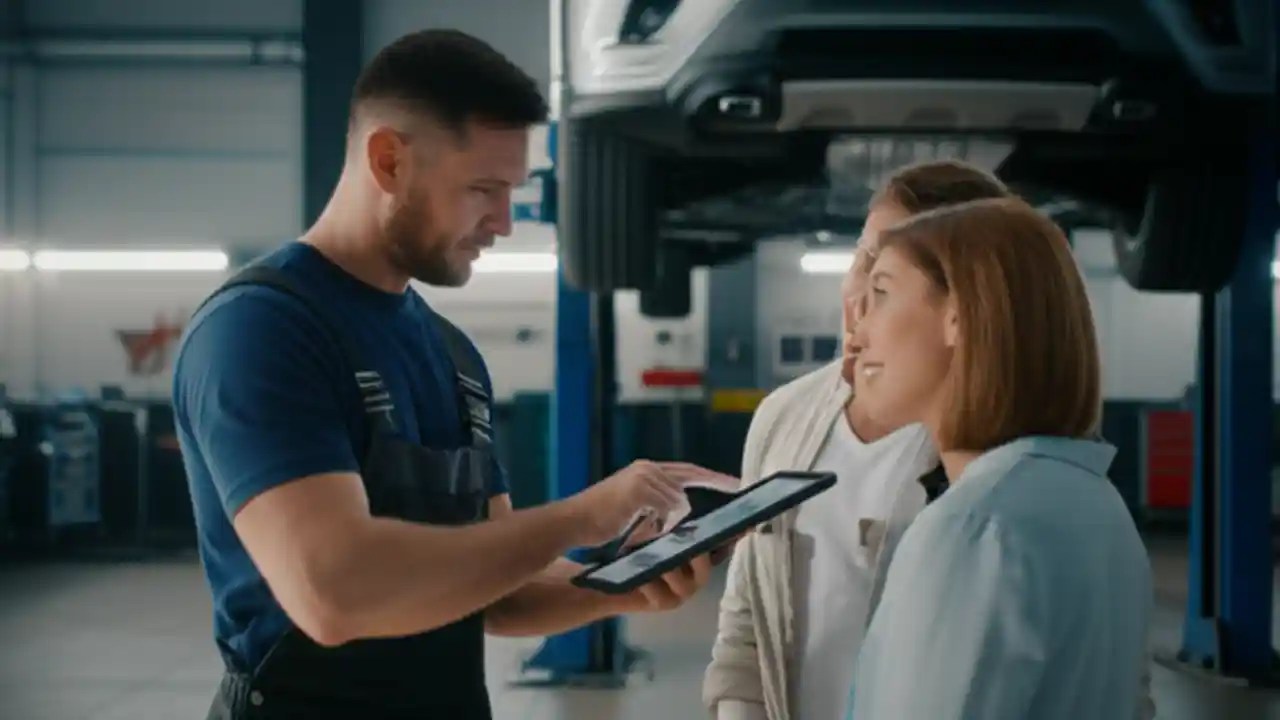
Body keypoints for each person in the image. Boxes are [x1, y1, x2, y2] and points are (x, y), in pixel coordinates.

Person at [172, 30, 725, 719]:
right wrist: (581, 516)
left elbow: (496, 592)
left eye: (510, 191)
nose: (504, 222)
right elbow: (334, 594)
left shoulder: (451, 353)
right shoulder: (262, 330)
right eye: (483, 190)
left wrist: (620, 583)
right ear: (389, 160)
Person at [702, 160, 1013, 720]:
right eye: (862, 258)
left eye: (889, 279)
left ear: (959, 306)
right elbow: (747, 616)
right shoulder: (784, 416)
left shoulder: (1009, 447)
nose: (859, 295)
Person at [844, 197, 1153, 719]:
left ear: (959, 318)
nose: (858, 334)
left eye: (882, 295)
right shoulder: (1096, 503)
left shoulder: (975, 527)